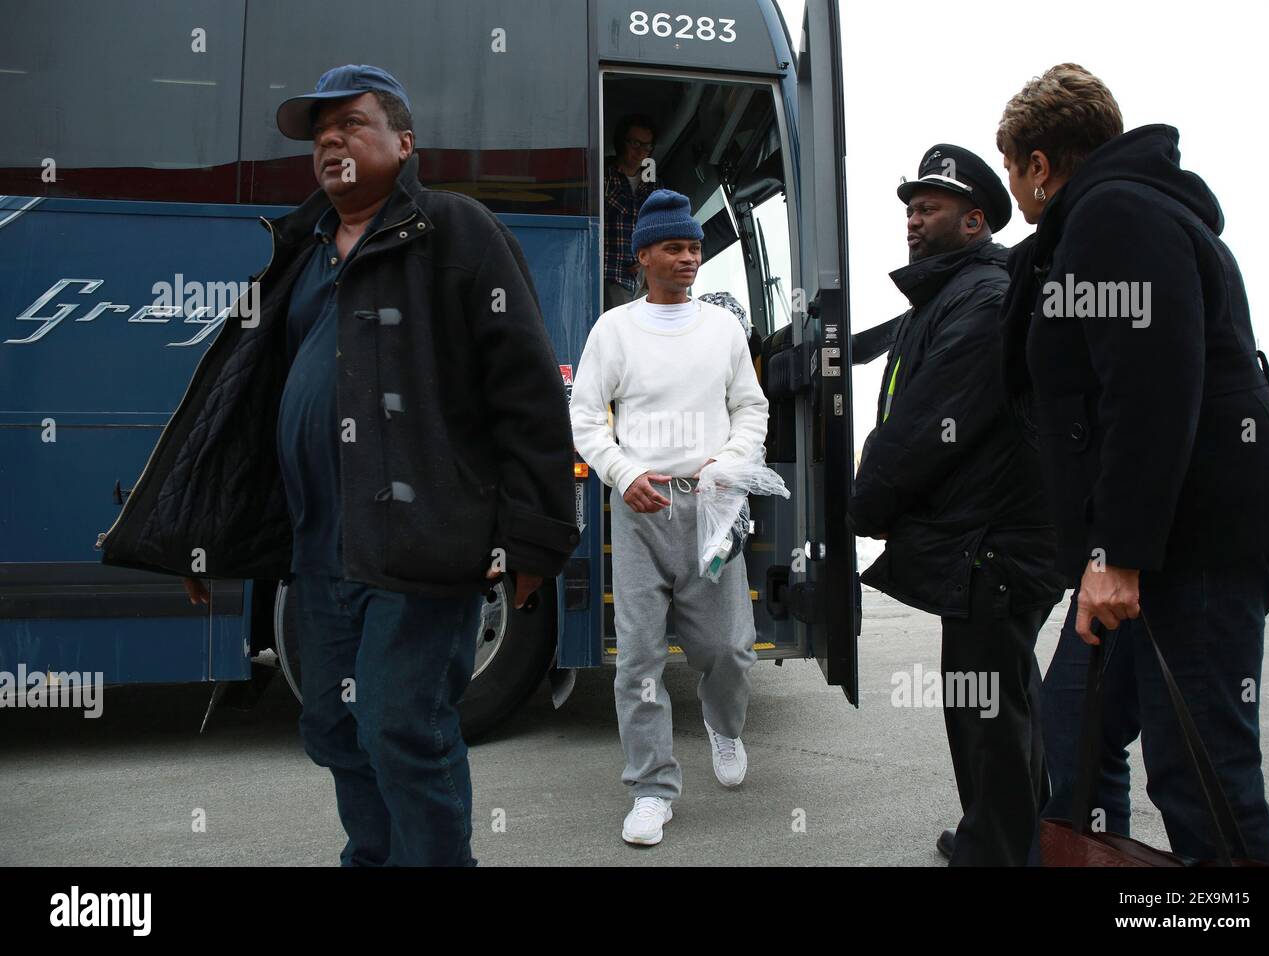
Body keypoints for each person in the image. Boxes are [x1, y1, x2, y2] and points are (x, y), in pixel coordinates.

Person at [98, 65, 579, 866]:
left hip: (425, 544)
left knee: (401, 726)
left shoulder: (458, 231)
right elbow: (250, 414)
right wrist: (203, 534)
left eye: (350, 123)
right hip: (320, 552)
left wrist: (535, 537)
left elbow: (526, 392)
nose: (329, 140)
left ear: (405, 141)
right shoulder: (303, 254)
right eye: (318, 132)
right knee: (332, 724)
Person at [997, 63, 1269, 864]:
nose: (1015, 195)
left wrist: (1121, 556)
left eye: (1011, 171)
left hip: (1195, 537)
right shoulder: (1110, 219)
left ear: (1036, 164)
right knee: (1073, 721)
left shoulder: (1115, 214)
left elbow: (1153, 391)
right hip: (1153, 538)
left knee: (1199, 770)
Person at [847, 145, 1064, 866]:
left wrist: (866, 504)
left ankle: (1001, 852)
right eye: (910, 207)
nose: (913, 219)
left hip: (994, 545)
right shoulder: (951, 296)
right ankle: (1004, 835)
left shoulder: (985, 298)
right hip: (988, 543)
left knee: (988, 711)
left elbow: (929, 423)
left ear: (975, 221)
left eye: (929, 208)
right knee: (999, 704)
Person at [569, 189, 770, 847]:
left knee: (729, 650)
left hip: (711, 505)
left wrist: (733, 461)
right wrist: (624, 475)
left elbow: (751, 409)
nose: (688, 257)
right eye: (675, 247)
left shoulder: (722, 330)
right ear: (644, 256)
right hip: (639, 509)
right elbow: (585, 416)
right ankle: (652, 790)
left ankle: (723, 722)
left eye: (693, 247)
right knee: (640, 659)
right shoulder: (615, 329)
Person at [604, 114, 660, 308]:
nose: (640, 152)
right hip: (609, 274)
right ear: (621, 142)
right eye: (635, 144)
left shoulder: (654, 185)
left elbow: (661, 230)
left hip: (644, 280)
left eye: (647, 146)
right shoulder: (601, 173)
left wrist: (651, 256)